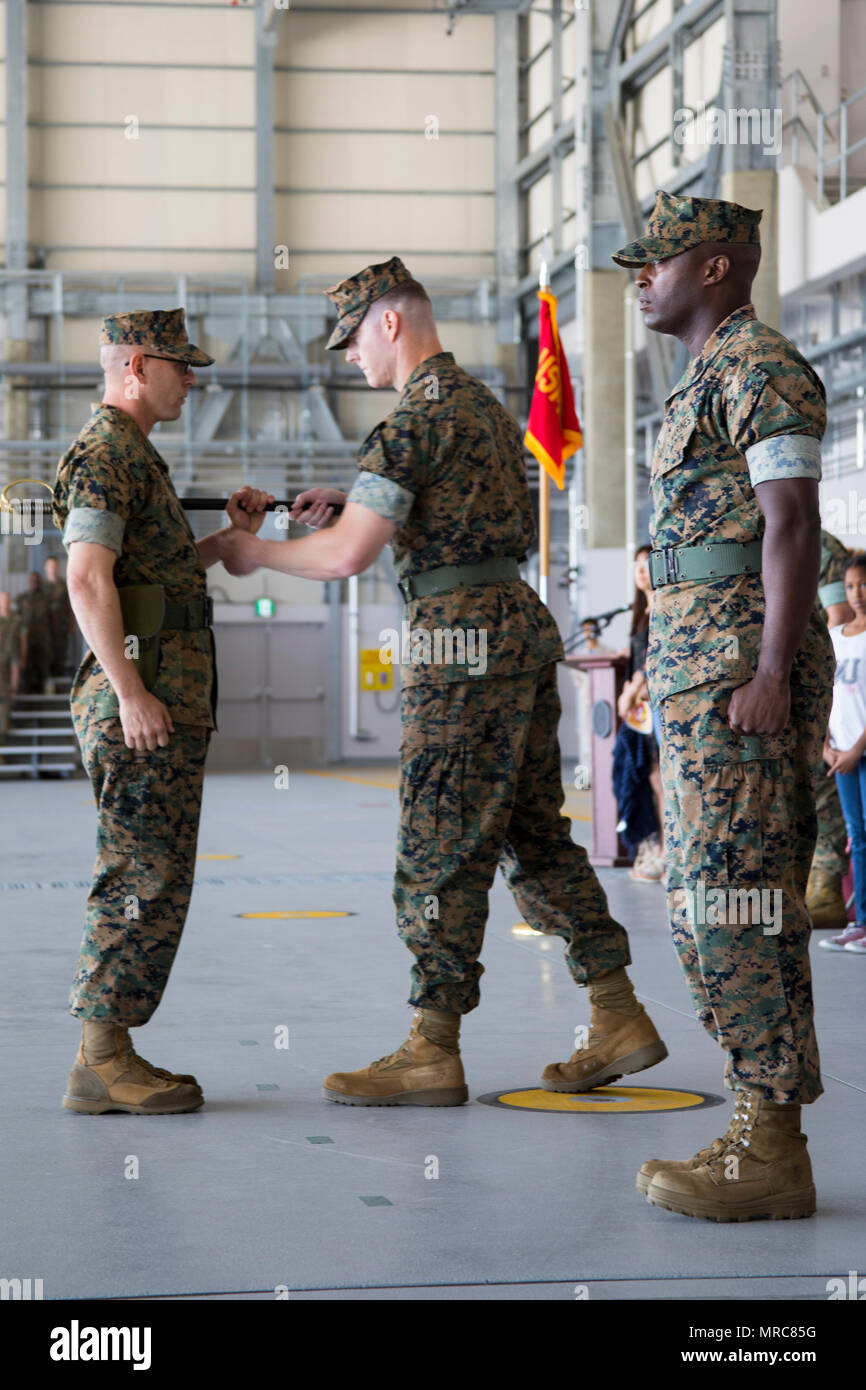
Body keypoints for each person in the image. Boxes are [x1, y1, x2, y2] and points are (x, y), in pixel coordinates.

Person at [218, 256, 668, 1107]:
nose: (351, 357)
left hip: (459, 649)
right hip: (515, 629)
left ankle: (432, 1046)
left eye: (353, 339)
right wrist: (348, 500)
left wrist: (258, 554)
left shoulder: (408, 424)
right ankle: (619, 1013)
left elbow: (349, 554)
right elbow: (410, 517)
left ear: (391, 321)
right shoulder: (486, 410)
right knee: (532, 833)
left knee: (437, 843)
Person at [613, 192, 834, 1221]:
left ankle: (769, 1142)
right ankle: (759, 1119)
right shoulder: (699, 378)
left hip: (743, 673)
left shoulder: (756, 366)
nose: (638, 280)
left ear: (712, 266)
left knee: (735, 898)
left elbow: (790, 524)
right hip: (700, 673)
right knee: (706, 903)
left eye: (653, 263)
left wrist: (771, 672)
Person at [52, 307, 272, 1116]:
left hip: (162, 696)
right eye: (183, 367)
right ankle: (102, 1056)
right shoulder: (107, 451)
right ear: (138, 365)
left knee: (157, 874)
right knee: (139, 873)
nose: (193, 380)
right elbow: (87, 579)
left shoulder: (136, 457)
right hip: (140, 699)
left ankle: (109, 1050)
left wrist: (225, 538)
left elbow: (155, 573)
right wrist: (131, 691)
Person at [806, 530, 855, 929]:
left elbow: (837, 616)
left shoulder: (820, 548)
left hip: (824, 678)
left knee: (823, 784)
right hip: (789, 675)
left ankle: (825, 886)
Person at [818, 553, 866, 954]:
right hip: (842, 756)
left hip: (860, 752)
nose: (857, 594)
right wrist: (827, 747)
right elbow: (827, 697)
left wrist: (856, 749)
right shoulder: (837, 637)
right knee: (857, 838)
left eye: (864, 584)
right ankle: (859, 922)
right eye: (850, 586)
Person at [615, 545, 664, 882]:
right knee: (648, 779)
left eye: (648, 563)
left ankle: (668, 853)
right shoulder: (640, 612)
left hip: (654, 704)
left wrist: (633, 689)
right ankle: (656, 847)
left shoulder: (663, 608)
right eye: (636, 565)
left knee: (663, 781)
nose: (641, 570)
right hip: (640, 714)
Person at [16, 571, 51, 695]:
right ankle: (27, 690)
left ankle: (41, 689)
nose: (34, 582)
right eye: (32, 580)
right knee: (27, 664)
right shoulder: (22, 598)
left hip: (43, 636)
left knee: (42, 663)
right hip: (27, 636)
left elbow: (51, 617)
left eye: (36, 580)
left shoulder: (46, 598)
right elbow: (17, 618)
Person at [42, 554, 75, 683]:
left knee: (61, 651)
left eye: (55, 565)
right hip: (44, 625)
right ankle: (46, 678)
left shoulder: (64, 584)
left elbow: (70, 605)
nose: (53, 568)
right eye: (50, 565)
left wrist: (72, 623)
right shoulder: (41, 585)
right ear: (46, 567)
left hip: (61, 624)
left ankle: (59, 680)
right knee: (46, 651)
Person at [0, 590, 23, 763]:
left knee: (3, 720)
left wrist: (14, 688)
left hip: (6, 689)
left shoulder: (9, 650)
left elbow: (16, 666)